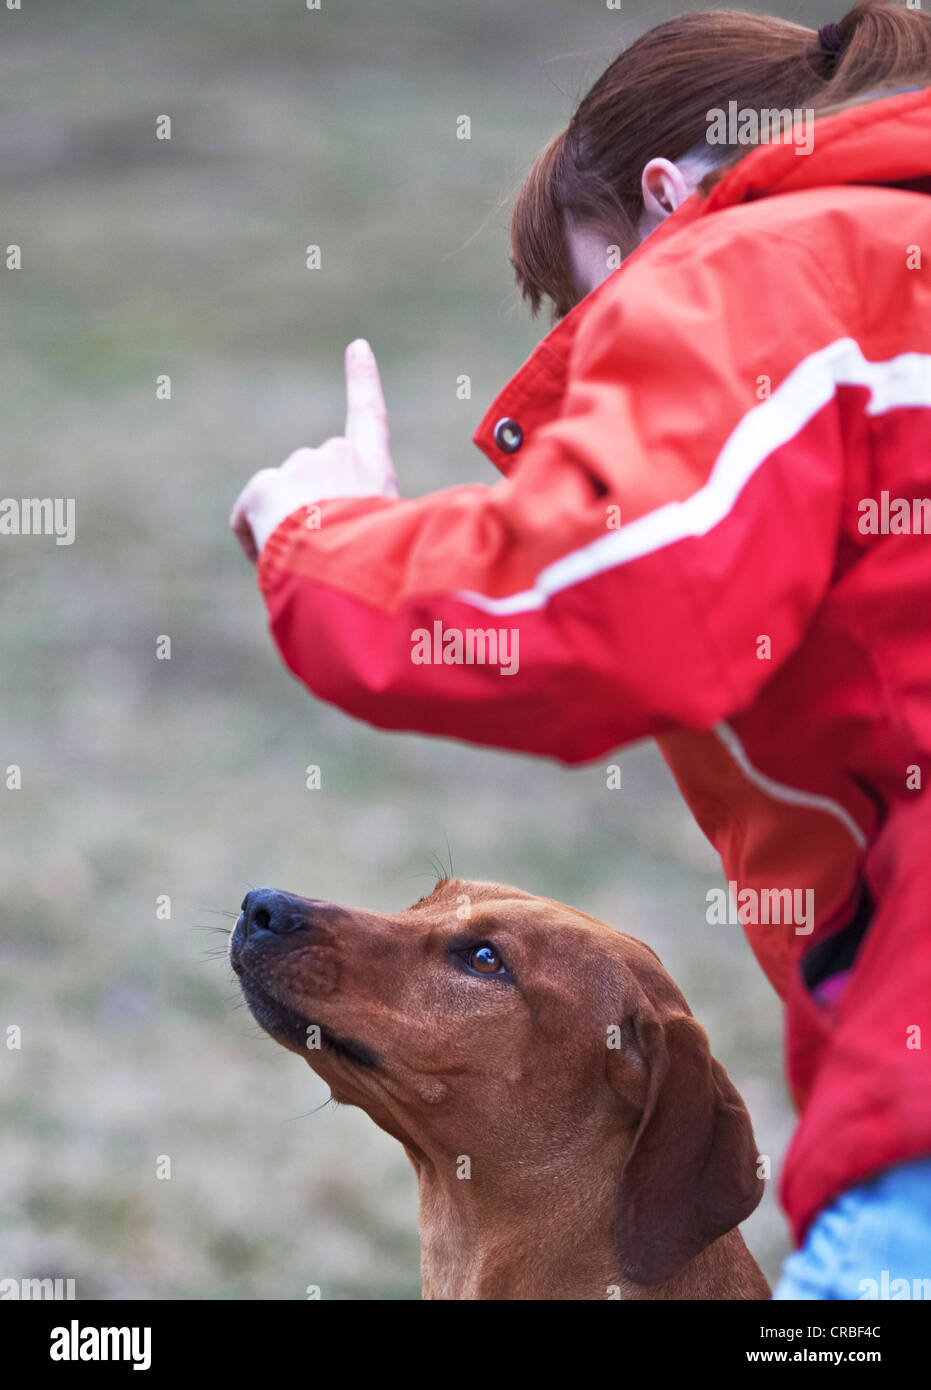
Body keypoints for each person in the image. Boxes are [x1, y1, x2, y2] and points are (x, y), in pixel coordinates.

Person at [231, 2, 931, 1299]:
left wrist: (322, 541)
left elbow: (602, 599)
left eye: (590, 319)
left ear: (671, 202)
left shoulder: (777, 267)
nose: (598, 400)